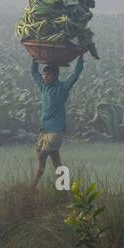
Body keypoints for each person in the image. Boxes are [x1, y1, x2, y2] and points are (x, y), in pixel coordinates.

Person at [30, 56, 84, 187]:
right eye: (45, 75)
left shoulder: (63, 88)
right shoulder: (44, 87)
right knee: (57, 164)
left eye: (48, 75)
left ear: (55, 76)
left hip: (55, 132)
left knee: (41, 156)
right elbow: (34, 73)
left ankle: (32, 187)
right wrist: (34, 58)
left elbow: (75, 75)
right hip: (44, 130)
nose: (45, 77)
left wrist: (81, 58)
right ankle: (65, 190)